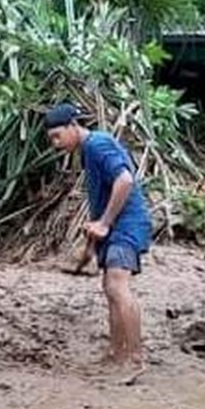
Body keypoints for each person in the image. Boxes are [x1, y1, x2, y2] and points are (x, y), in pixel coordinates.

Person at [44, 102, 151, 372]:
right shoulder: (90, 150)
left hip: (126, 224)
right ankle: (117, 353)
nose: (56, 144)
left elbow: (125, 181)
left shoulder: (97, 145)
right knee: (110, 288)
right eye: (51, 139)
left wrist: (104, 223)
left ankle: (136, 358)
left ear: (73, 126)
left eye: (58, 135)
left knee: (117, 285)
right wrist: (95, 242)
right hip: (118, 226)